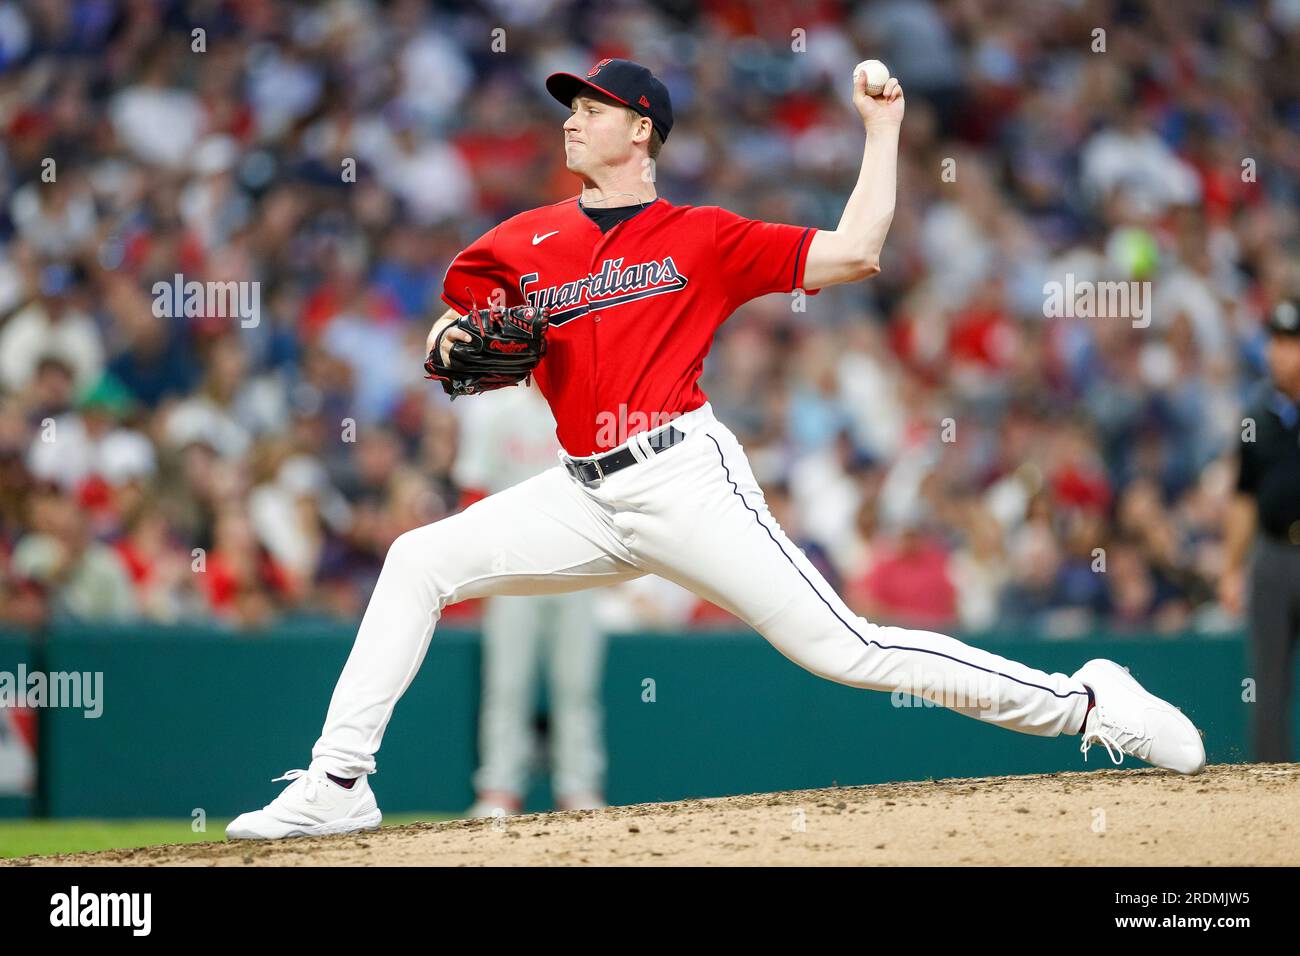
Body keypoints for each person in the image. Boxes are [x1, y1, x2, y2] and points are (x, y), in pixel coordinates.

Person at [227, 59, 1204, 840]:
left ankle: (1086, 703)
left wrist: (881, 131)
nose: (570, 119)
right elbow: (454, 322)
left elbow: (856, 250)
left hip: (684, 476)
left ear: (642, 129)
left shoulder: (703, 235)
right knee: (415, 558)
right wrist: (446, 340)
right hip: (578, 490)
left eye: (592, 107)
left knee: (847, 650)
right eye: (567, 106)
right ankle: (338, 781)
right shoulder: (524, 239)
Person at [454, 385, 609, 816]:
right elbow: (474, 490)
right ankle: (499, 789)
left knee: (577, 684)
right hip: (512, 567)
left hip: (579, 565)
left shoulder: (587, 406)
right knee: (508, 682)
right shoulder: (493, 412)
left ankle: (578, 789)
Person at [1220, 298, 1300, 761]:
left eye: (1290, 343)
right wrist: (1232, 568)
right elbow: (1244, 496)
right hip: (1272, 556)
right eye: (1275, 342)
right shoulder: (1257, 419)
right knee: (1268, 684)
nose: (1279, 353)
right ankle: (1271, 793)